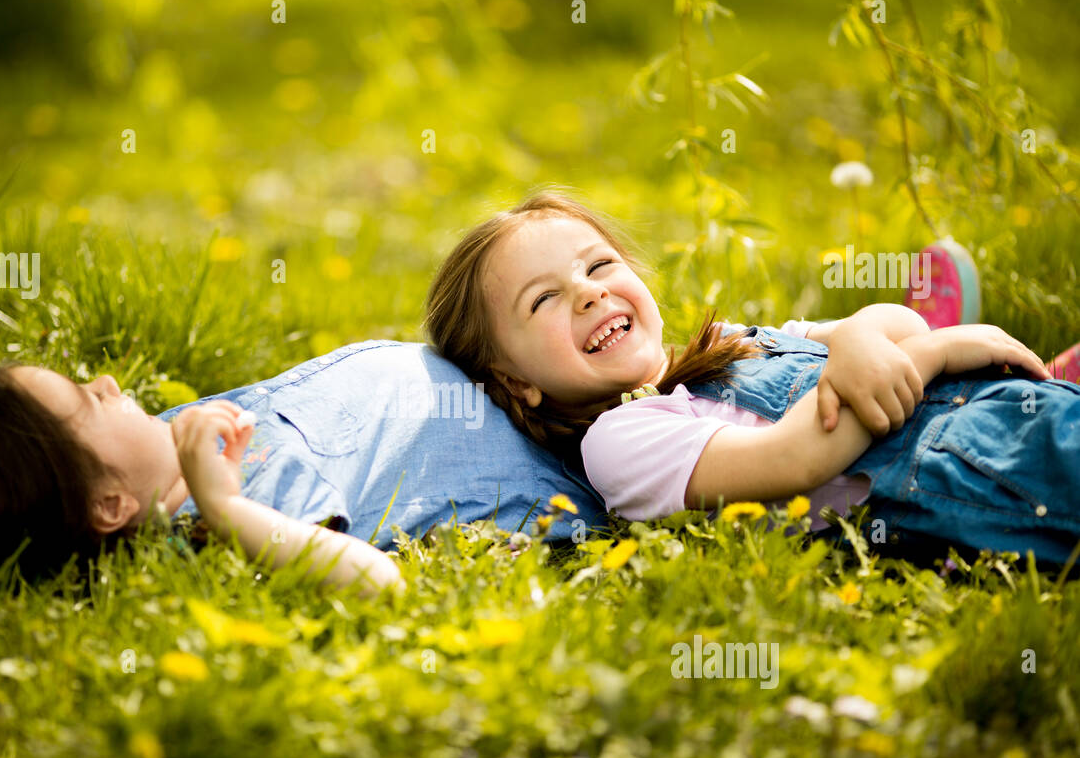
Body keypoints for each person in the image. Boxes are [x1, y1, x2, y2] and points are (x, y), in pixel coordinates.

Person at [424, 190, 1080, 566]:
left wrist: (862, 332)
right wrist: (932, 352)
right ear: (514, 384)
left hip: (998, 414)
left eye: (598, 266)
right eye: (543, 300)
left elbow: (882, 328)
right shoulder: (620, 441)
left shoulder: (727, 340)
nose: (588, 294)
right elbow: (794, 459)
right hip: (991, 487)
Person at [0, 340, 606, 590]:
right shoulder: (217, 525)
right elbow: (377, 581)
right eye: (88, 403)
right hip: (554, 450)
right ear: (109, 507)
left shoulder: (158, 459)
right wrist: (228, 507)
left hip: (516, 384)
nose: (108, 384)